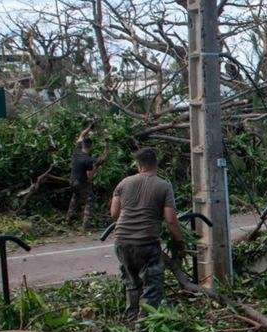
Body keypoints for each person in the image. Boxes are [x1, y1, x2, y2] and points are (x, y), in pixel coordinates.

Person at [110, 148, 186, 320]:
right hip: (146, 243)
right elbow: (171, 220)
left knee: (131, 282)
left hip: (121, 241)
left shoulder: (123, 183)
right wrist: (180, 243)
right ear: (156, 165)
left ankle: (131, 320)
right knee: (152, 286)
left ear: (139, 166)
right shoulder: (164, 186)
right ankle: (143, 327)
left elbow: (114, 213)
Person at [67, 137, 96, 229]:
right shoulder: (88, 160)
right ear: (91, 146)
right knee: (90, 199)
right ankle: (86, 224)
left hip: (72, 181)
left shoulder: (76, 152)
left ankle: (69, 219)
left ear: (82, 144)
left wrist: (88, 127)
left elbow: (81, 135)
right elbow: (90, 177)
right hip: (81, 182)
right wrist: (95, 169)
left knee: (76, 197)